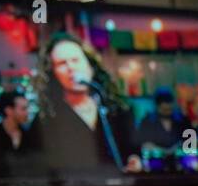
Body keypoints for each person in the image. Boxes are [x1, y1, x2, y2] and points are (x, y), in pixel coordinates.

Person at [36, 32, 140, 174]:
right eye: (62, 63)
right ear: (53, 74)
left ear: (90, 66)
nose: (71, 67)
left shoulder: (116, 109)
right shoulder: (48, 119)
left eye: (75, 60)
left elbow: (133, 148)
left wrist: (135, 160)